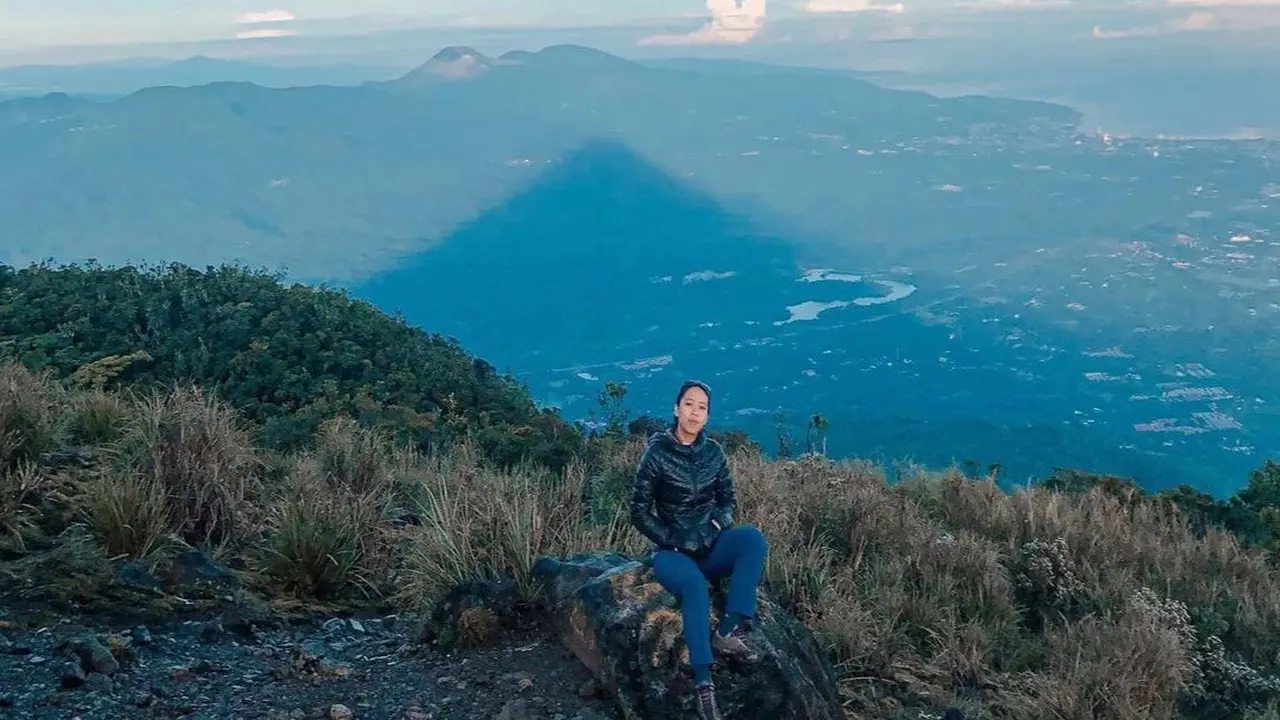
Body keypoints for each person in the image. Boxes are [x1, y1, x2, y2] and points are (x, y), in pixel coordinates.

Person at [629, 379, 770, 720]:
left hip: (709, 543)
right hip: (672, 551)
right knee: (694, 587)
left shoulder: (714, 453)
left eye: (702, 407)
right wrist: (674, 539)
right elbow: (639, 510)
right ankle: (704, 684)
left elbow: (727, 501)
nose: (695, 412)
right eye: (689, 404)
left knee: (752, 540)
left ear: (707, 416)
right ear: (676, 409)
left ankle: (728, 629)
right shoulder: (657, 453)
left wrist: (715, 528)